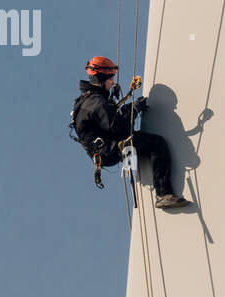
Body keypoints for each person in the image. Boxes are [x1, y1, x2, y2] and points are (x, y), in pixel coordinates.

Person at [72, 56, 191, 209]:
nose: (113, 82)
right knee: (157, 144)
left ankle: (163, 194)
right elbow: (118, 126)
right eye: (110, 79)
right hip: (110, 149)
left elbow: (110, 120)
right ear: (101, 79)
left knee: (146, 140)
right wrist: (135, 109)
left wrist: (132, 107)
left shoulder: (89, 100)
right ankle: (163, 194)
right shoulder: (96, 102)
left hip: (107, 147)